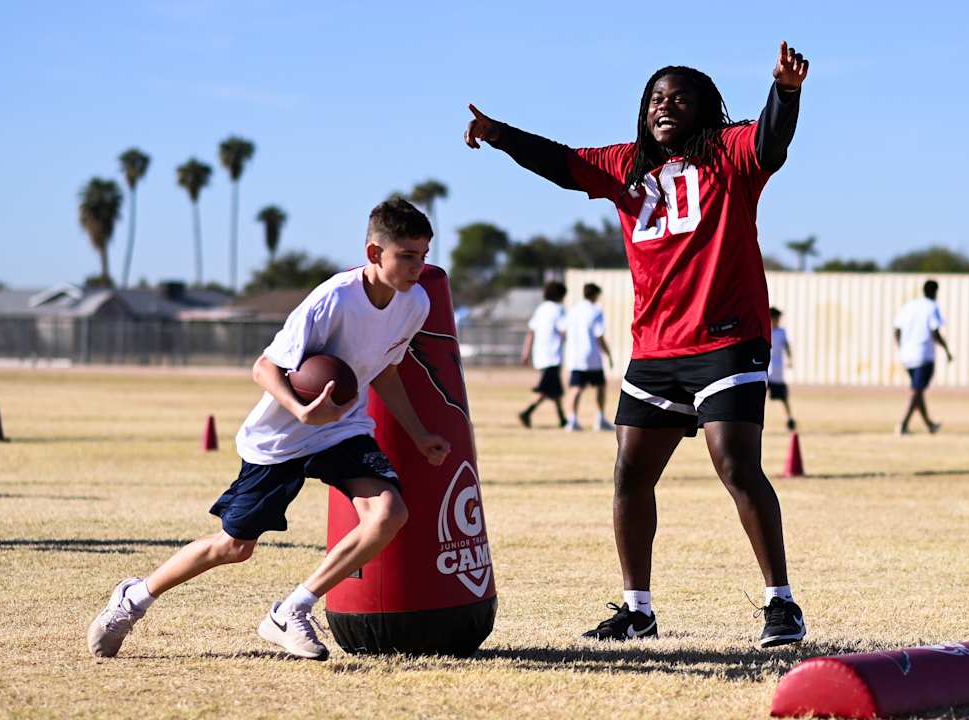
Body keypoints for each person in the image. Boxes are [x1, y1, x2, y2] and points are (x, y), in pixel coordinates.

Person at [466, 41, 810, 647]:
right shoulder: (625, 166)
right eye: (654, 97)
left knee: (735, 463)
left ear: (704, 108)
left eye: (678, 97)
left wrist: (784, 92)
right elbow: (562, 161)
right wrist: (499, 135)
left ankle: (781, 604)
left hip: (726, 340)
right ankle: (638, 609)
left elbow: (771, 141)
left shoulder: (729, 154)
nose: (663, 106)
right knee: (629, 477)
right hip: (654, 350)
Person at [87, 198, 451, 661]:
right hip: (281, 436)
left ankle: (291, 611)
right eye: (407, 256)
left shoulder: (414, 303)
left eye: (423, 255)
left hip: (342, 428)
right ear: (375, 253)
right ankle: (132, 599)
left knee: (388, 514)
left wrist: (418, 434)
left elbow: (385, 372)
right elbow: (263, 367)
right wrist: (301, 413)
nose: (418, 267)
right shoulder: (332, 299)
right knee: (234, 547)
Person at [894, 280, 952, 435]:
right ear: (935, 292)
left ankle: (930, 425)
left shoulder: (910, 306)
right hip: (923, 355)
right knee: (917, 391)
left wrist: (901, 348)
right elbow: (935, 332)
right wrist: (946, 350)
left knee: (918, 390)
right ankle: (903, 424)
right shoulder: (932, 307)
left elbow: (897, 329)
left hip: (907, 355)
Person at [566, 283, 615, 432]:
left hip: (574, 355)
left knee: (576, 388)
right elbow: (599, 335)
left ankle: (572, 420)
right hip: (592, 356)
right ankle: (599, 419)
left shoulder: (574, 310)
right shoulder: (596, 311)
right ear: (595, 295)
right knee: (600, 386)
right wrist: (608, 354)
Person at [519, 281, 567, 428]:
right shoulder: (559, 310)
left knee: (555, 390)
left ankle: (563, 419)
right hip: (553, 356)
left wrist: (526, 352)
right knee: (546, 389)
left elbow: (531, 332)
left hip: (540, 355)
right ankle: (527, 412)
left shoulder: (541, 309)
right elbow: (563, 330)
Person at [767, 307, 796, 431]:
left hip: (777, 371)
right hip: (765, 369)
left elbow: (787, 346)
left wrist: (789, 359)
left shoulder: (781, 332)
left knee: (783, 397)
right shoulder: (765, 331)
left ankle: (789, 419)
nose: (778, 320)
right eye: (776, 318)